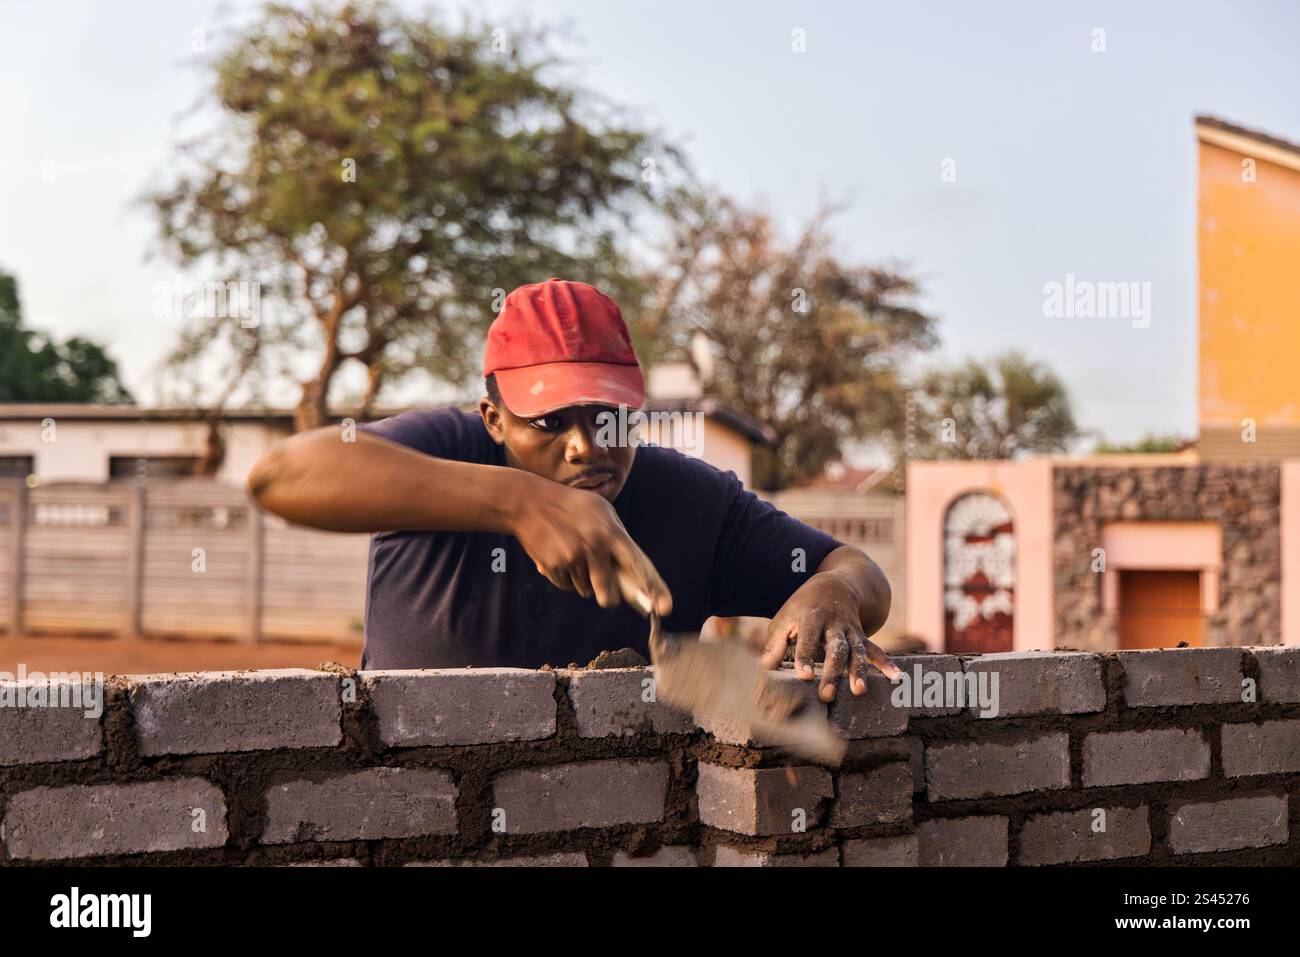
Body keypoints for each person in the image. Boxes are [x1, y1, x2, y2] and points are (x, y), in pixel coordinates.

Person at [247, 278, 896, 701]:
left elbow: (856, 567)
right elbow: (279, 474)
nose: (586, 444)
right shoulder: (449, 448)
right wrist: (520, 502)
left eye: (606, 414)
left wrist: (832, 591)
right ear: (494, 417)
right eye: (551, 421)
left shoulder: (690, 501)